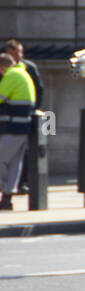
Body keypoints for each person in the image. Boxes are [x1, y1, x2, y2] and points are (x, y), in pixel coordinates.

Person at [0, 53, 37, 210]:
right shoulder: (23, 73)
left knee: (1, 158)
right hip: (24, 126)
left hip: (12, 126)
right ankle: (7, 198)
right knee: (15, 163)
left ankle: (4, 190)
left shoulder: (11, 75)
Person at [4, 40, 43, 110]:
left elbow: (38, 88)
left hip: (26, 109)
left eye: (16, 54)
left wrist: (35, 107)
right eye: (11, 55)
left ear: (21, 53)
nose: (13, 58)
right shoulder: (2, 67)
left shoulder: (29, 67)